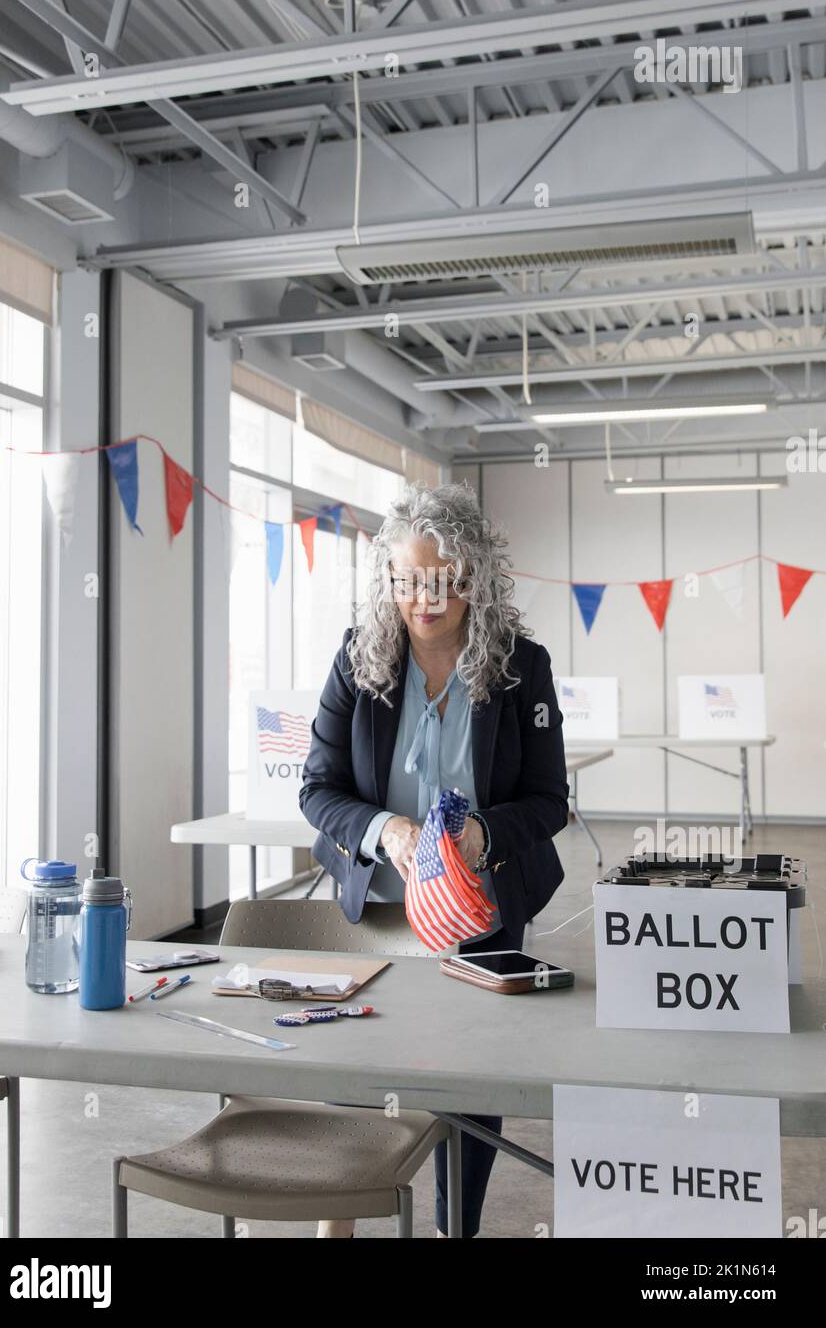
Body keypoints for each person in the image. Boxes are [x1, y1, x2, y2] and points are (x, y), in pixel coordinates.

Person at [299, 482, 569, 1237]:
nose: (424, 597)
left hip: (479, 913)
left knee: (469, 1084)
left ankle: (458, 1228)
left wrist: (481, 834)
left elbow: (551, 802)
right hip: (379, 914)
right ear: (390, 581)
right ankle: (340, 1219)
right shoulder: (358, 663)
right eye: (408, 580)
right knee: (354, 1076)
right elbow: (318, 791)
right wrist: (386, 829)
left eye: (441, 579)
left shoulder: (522, 668)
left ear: (472, 578)